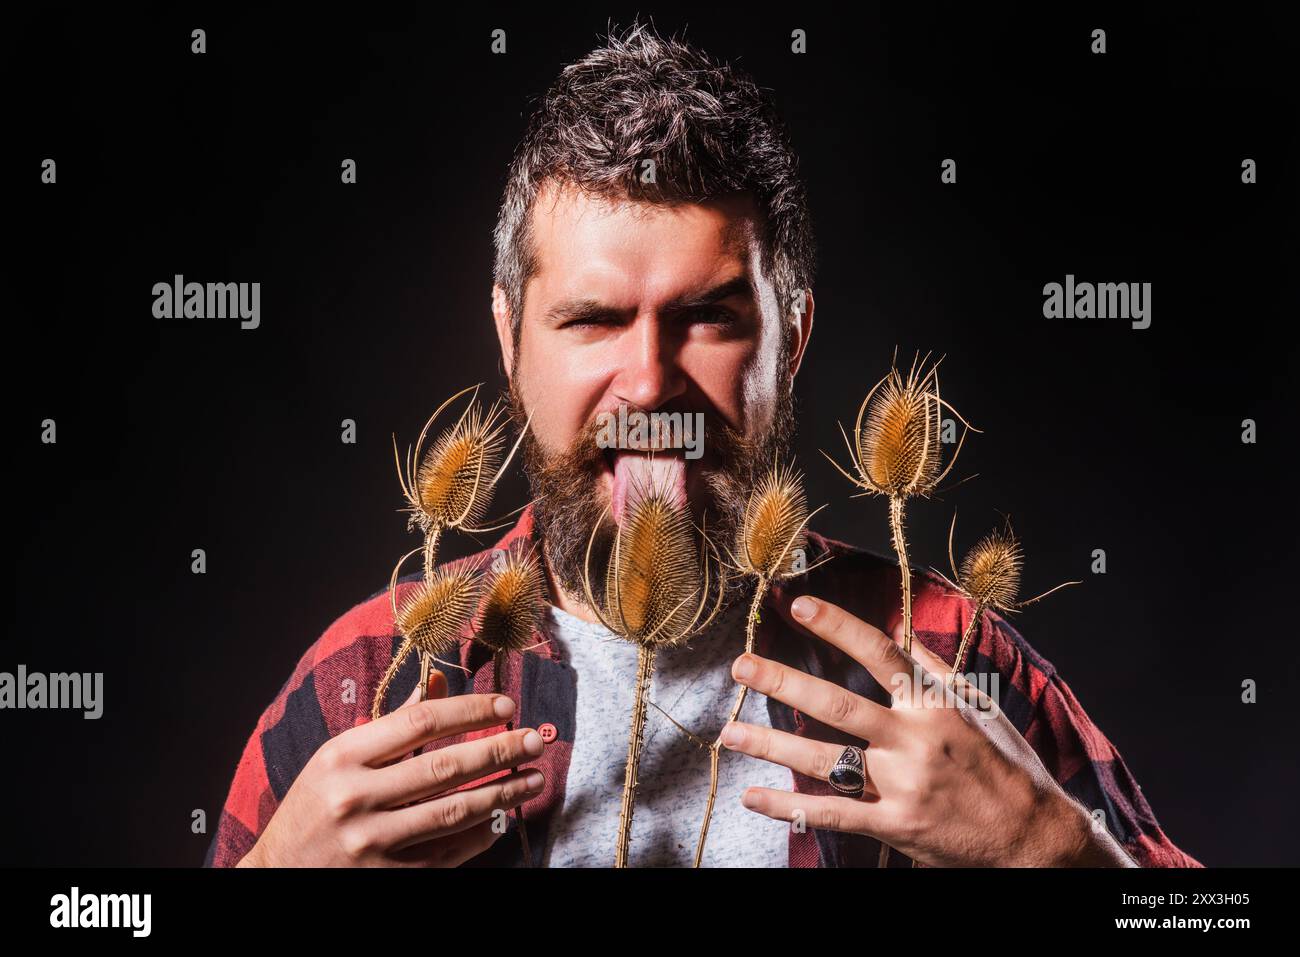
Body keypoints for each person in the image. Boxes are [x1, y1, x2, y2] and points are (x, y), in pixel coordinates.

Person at [206, 20, 1201, 869]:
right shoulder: (369, 676)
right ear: (510, 340)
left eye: (709, 318)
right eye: (593, 319)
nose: (648, 383)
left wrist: (1057, 852)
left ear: (793, 339)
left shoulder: (945, 661)